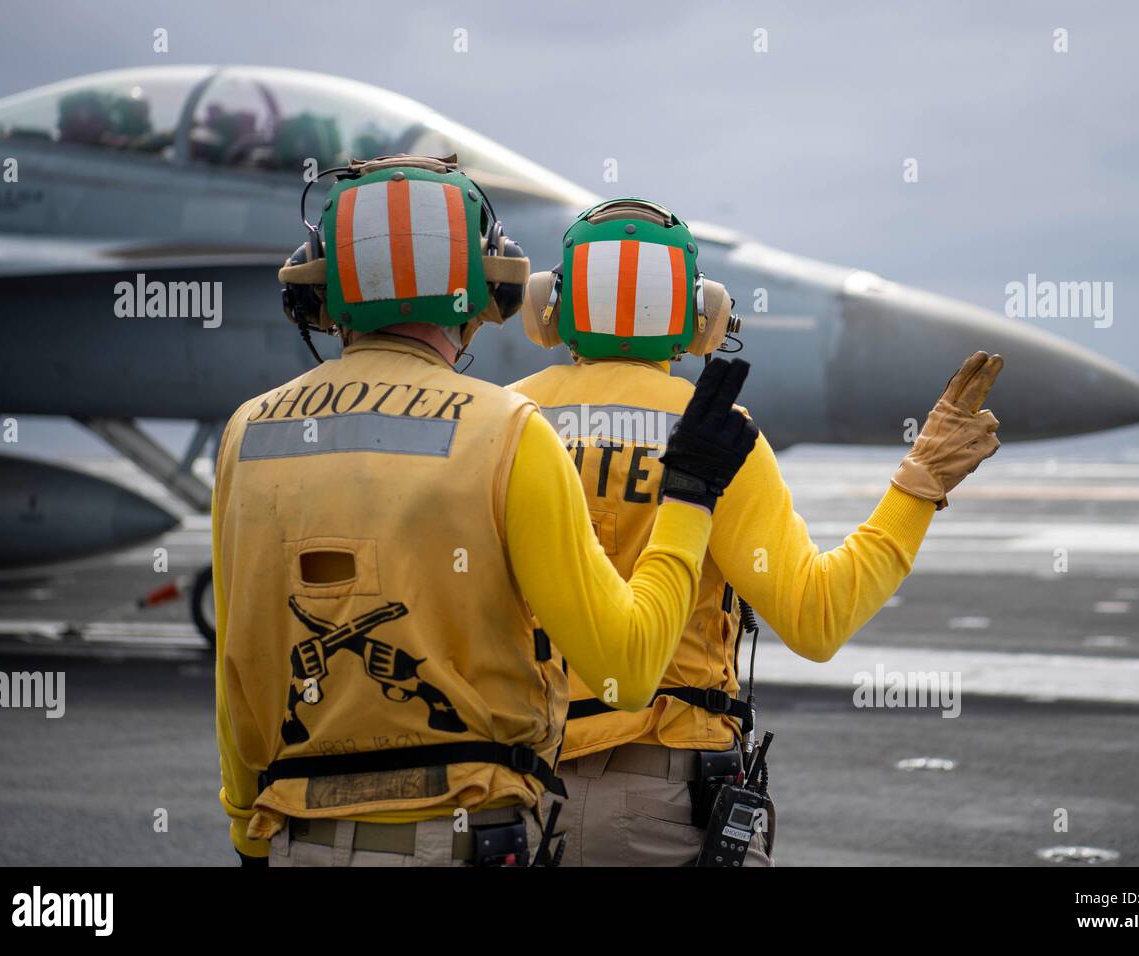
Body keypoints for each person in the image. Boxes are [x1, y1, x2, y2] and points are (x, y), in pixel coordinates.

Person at [211, 161, 758, 867]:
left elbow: (239, 669)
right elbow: (625, 665)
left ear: (318, 287)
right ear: (487, 290)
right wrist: (688, 495)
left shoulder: (248, 433)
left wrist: (244, 829)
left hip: (295, 841)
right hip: (466, 837)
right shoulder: (508, 429)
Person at [508, 197, 1003, 866]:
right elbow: (816, 617)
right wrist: (920, 482)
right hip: (659, 808)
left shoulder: (503, 423)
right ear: (704, 317)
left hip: (512, 800)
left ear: (550, 307)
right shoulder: (717, 435)